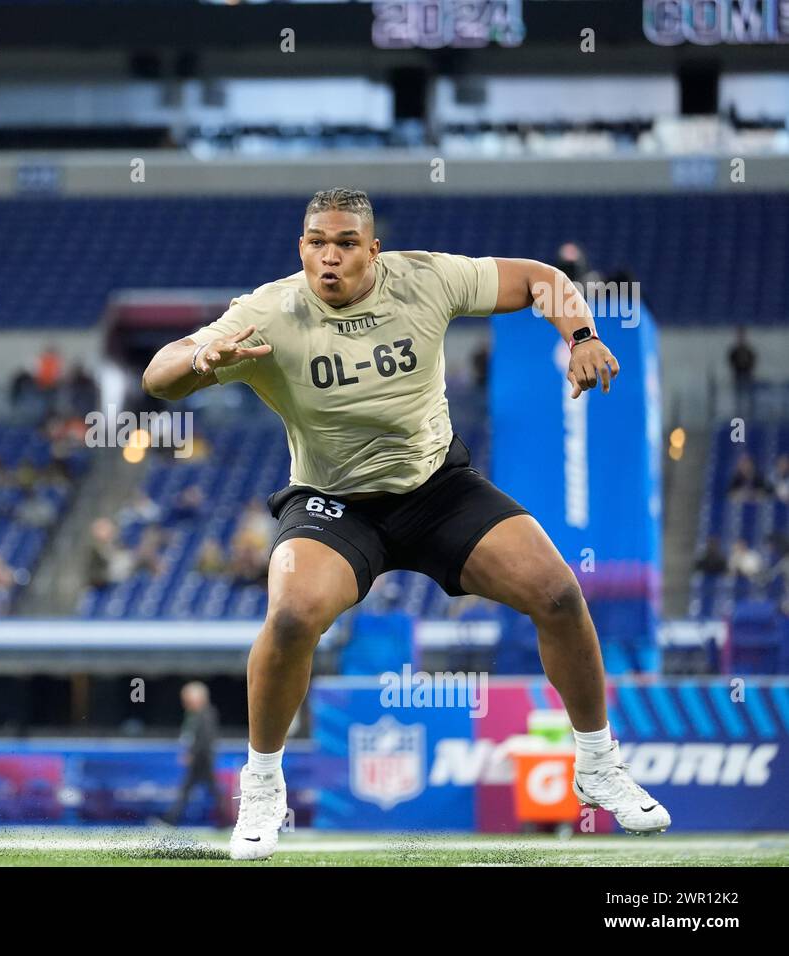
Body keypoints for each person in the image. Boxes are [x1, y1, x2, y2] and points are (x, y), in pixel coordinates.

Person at [142, 188, 670, 859]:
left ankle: (598, 766)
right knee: (292, 616)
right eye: (314, 242)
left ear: (373, 250)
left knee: (559, 593)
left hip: (437, 489)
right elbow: (159, 378)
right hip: (334, 502)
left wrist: (583, 336)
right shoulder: (268, 310)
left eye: (344, 244)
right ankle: (264, 785)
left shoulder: (427, 278)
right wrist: (196, 364)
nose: (327, 257)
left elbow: (544, 279)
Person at [160, 682, 223, 826]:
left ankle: (226, 820)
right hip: (200, 758)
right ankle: (170, 819)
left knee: (206, 790)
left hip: (203, 758)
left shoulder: (206, 714)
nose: (185, 702)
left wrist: (192, 754)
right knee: (192, 789)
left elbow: (205, 738)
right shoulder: (194, 714)